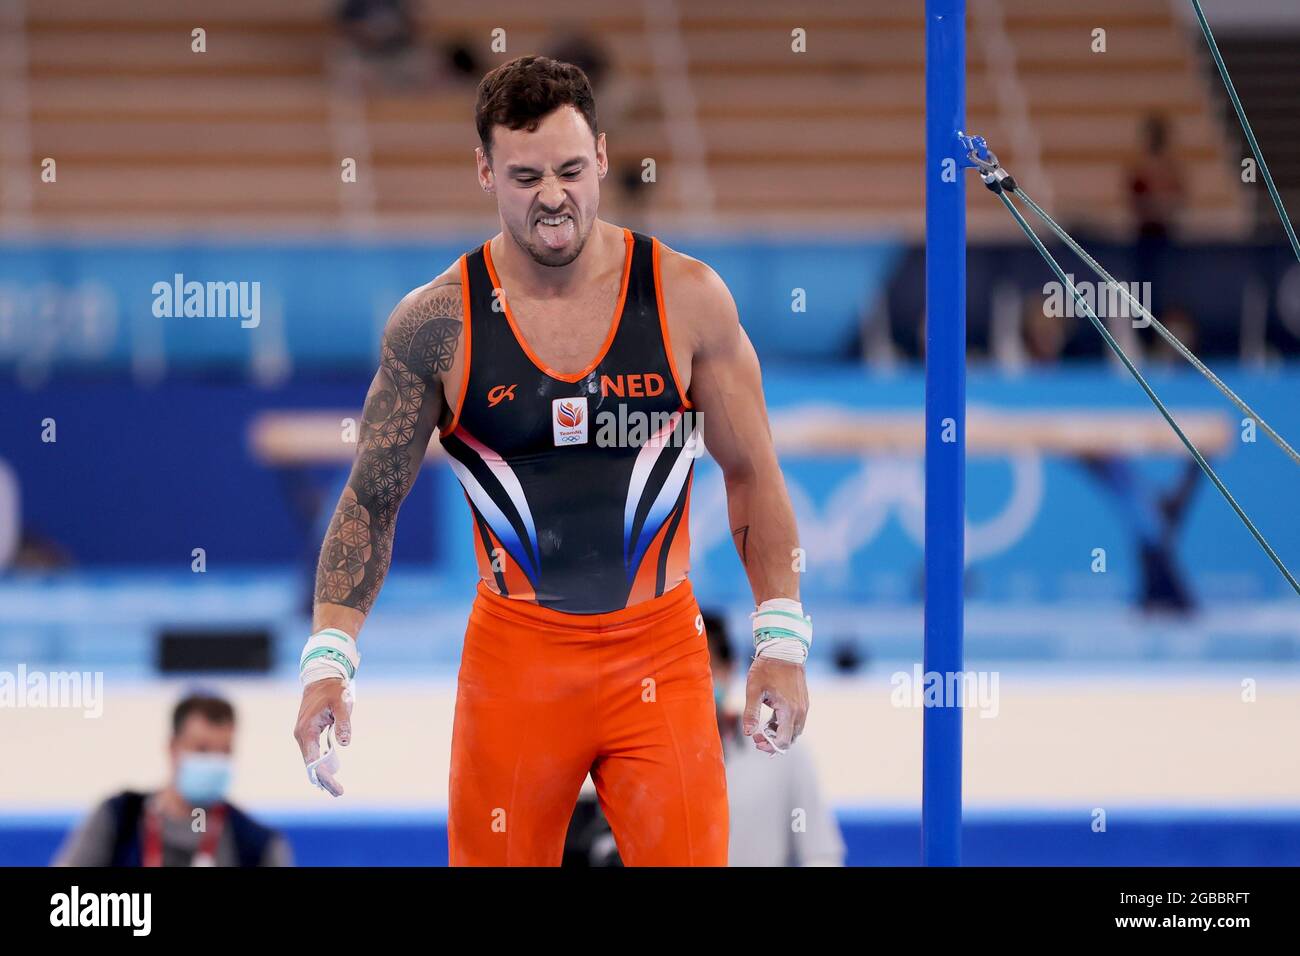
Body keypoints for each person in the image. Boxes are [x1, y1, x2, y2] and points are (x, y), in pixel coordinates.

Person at [293, 55, 811, 866]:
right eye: (526, 175)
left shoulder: (686, 299)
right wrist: (328, 658)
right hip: (517, 663)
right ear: (485, 170)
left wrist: (780, 638)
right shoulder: (436, 326)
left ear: (603, 156)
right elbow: (370, 502)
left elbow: (752, 471)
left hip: (662, 654)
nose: (553, 196)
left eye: (572, 169)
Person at [55, 692, 291, 866]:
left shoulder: (257, 844)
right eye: (202, 750)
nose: (214, 762)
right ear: (173, 748)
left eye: (224, 752)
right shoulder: (119, 819)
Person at [703, 611, 845, 866]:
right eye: (685, 672)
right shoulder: (648, 760)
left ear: (730, 668)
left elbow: (821, 855)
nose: (697, 682)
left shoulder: (783, 753)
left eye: (707, 667)